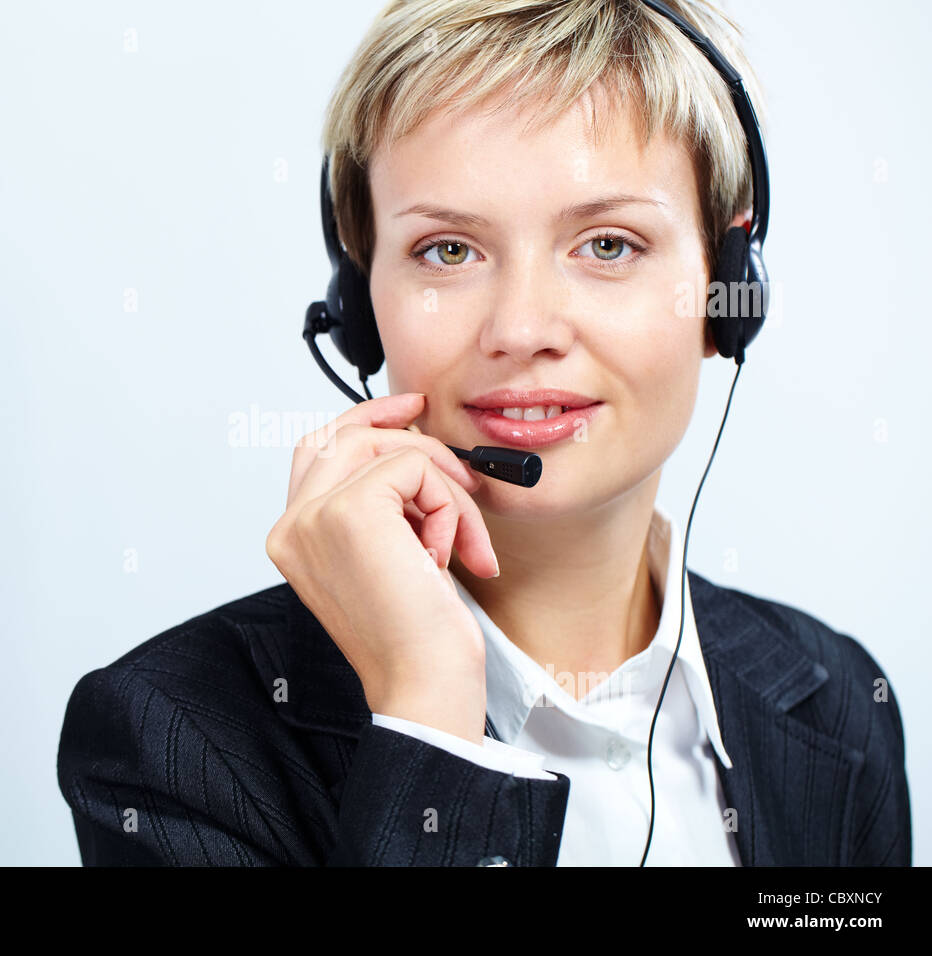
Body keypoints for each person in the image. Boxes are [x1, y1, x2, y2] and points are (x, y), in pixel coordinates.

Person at [56, 0, 911, 866]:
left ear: (728, 287)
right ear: (360, 301)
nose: (522, 326)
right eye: (448, 251)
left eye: (608, 245)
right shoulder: (177, 738)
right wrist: (427, 716)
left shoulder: (839, 702)